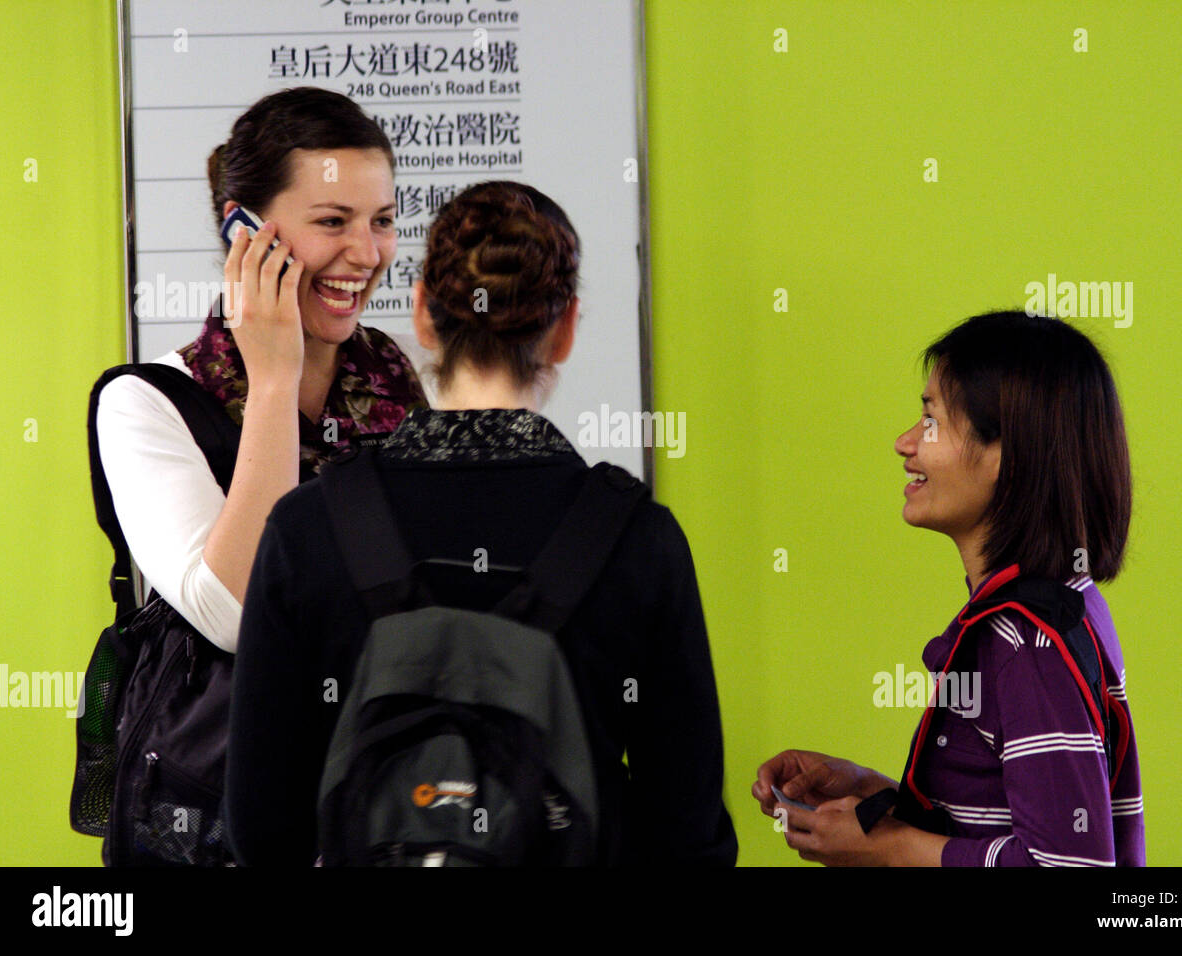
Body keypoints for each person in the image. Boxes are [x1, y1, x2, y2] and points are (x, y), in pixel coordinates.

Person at [226, 180, 739, 866]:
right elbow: (687, 831)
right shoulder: (638, 538)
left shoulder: (307, 528)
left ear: (423, 319)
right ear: (565, 330)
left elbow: (260, 830)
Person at [754, 311, 1144, 866]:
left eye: (931, 421)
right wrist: (868, 790)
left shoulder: (1027, 641)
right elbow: (1000, 819)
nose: (904, 443)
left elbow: (1067, 865)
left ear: (1007, 455)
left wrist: (888, 848)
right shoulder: (1061, 601)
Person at [95, 87, 427, 651]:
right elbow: (235, 617)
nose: (368, 254)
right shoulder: (145, 403)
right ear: (243, 231)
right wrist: (274, 381)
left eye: (382, 221)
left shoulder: (408, 371)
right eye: (332, 221)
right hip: (248, 738)